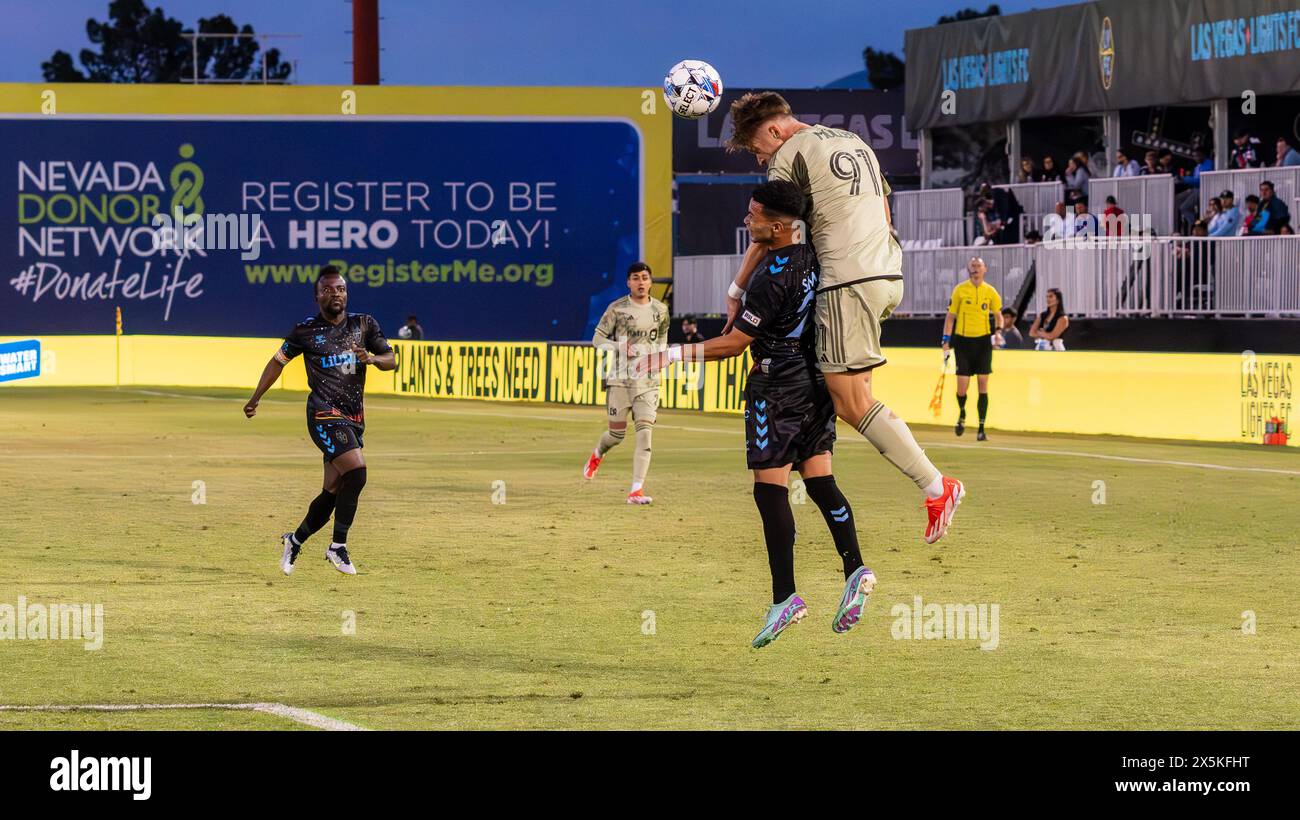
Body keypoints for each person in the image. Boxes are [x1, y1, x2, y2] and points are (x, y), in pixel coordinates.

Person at [634, 181, 876, 648]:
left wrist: (671, 355)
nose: (748, 221)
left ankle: (785, 597)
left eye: (755, 216)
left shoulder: (772, 277)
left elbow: (733, 344)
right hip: (816, 379)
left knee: (770, 493)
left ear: (779, 226)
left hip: (776, 387)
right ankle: (855, 568)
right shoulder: (813, 258)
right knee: (821, 482)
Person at [721, 91, 964, 545]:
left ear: (775, 129)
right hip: (887, 272)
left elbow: (773, 232)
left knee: (851, 402)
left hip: (846, 280)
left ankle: (936, 486)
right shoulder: (854, 140)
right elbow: (884, 209)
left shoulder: (788, 155)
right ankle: (818, 466)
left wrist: (736, 291)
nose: (760, 159)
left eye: (757, 147)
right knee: (856, 392)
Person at [244, 265, 396, 576]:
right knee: (357, 471)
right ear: (317, 296)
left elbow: (391, 360)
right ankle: (337, 547)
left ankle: (295, 540)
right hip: (323, 414)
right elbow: (277, 362)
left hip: (353, 419)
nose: (336, 294)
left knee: (333, 491)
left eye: (340, 289)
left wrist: (372, 359)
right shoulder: (305, 331)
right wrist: (256, 397)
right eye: (328, 290)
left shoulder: (364, 325)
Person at [582, 262, 669, 505]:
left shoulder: (661, 310)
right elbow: (597, 339)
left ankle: (636, 490)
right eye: (635, 278)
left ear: (650, 281)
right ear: (628, 283)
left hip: (649, 382)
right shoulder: (617, 309)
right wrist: (618, 346)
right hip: (620, 379)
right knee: (616, 435)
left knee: (645, 434)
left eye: (644, 277)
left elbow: (662, 340)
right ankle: (598, 453)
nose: (640, 282)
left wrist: (662, 358)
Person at [942, 257, 1002, 441]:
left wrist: (997, 332)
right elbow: (950, 317)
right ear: (969, 269)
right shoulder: (960, 290)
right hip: (963, 342)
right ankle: (962, 415)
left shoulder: (990, 292)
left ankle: (981, 429)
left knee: (983, 383)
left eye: (978, 266)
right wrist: (946, 341)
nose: (975, 269)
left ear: (985, 269)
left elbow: (998, 315)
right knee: (962, 387)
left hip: (983, 342)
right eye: (973, 266)